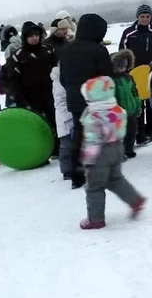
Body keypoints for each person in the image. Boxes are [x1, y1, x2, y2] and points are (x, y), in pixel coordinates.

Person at [78, 76, 146, 230]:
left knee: (94, 186)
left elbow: (92, 140)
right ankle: (135, 199)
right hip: (117, 148)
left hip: (99, 153)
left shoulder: (92, 117)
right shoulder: (118, 111)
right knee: (115, 179)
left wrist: (88, 161)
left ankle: (95, 219)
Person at [58, 13, 114, 189]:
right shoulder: (98, 50)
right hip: (97, 102)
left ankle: (77, 175)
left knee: (79, 137)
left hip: (75, 101)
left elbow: (63, 78)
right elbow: (107, 78)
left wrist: (73, 92)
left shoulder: (66, 49)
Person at [7, 22, 58, 150]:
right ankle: (41, 150)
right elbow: (13, 79)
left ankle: (58, 147)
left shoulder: (48, 50)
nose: (34, 38)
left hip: (50, 94)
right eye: (30, 35)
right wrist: (20, 100)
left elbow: (57, 69)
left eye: (36, 34)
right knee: (37, 126)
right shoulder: (17, 55)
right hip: (30, 98)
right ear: (25, 37)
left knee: (55, 121)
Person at [118, 4, 152, 147]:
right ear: (137, 17)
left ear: (151, 17)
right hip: (134, 73)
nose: (145, 19)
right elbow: (122, 51)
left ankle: (150, 131)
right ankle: (139, 133)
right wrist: (125, 69)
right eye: (142, 16)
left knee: (151, 103)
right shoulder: (129, 33)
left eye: (147, 16)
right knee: (137, 104)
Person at [110, 51, 142, 159]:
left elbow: (134, 91)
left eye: (125, 66)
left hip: (131, 110)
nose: (123, 68)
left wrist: (138, 104)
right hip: (118, 112)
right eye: (120, 66)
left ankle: (129, 149)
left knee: (131, 131)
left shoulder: (129, 77)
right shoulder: (112, 80)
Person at [51, 64, 74, 180]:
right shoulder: (58, 82)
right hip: (65, 117)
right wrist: (70, 114)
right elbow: (60, 102)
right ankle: (67, 170)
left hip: (75, 115)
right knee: (66, 145)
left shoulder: (73, 77)